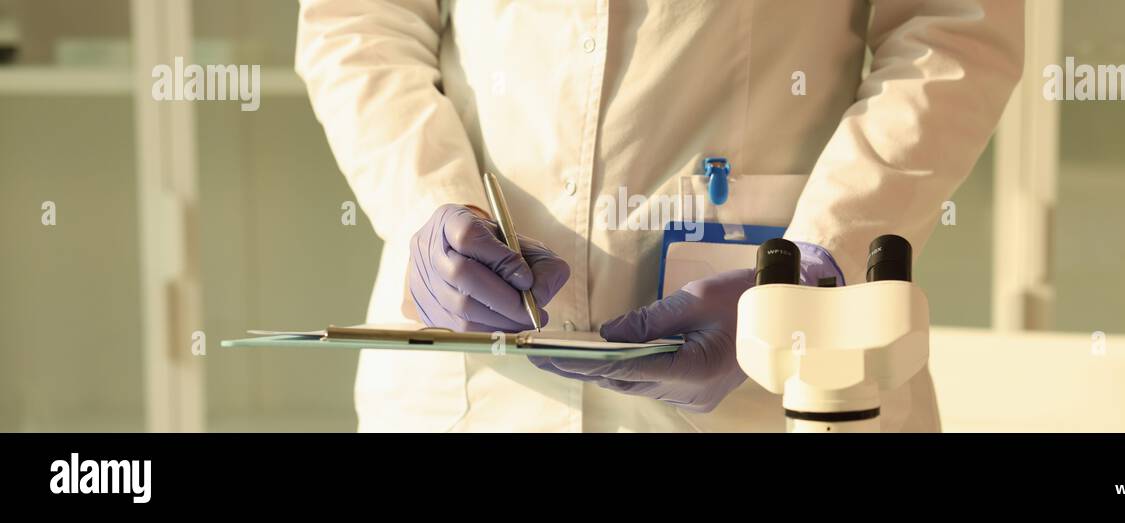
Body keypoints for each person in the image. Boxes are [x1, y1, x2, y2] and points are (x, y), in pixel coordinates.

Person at [295, 0, 1024, 432]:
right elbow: (358, 22)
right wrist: (426, 205)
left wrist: (812, 273)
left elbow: (954, 29)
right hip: (474, 397)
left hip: (781, 382)